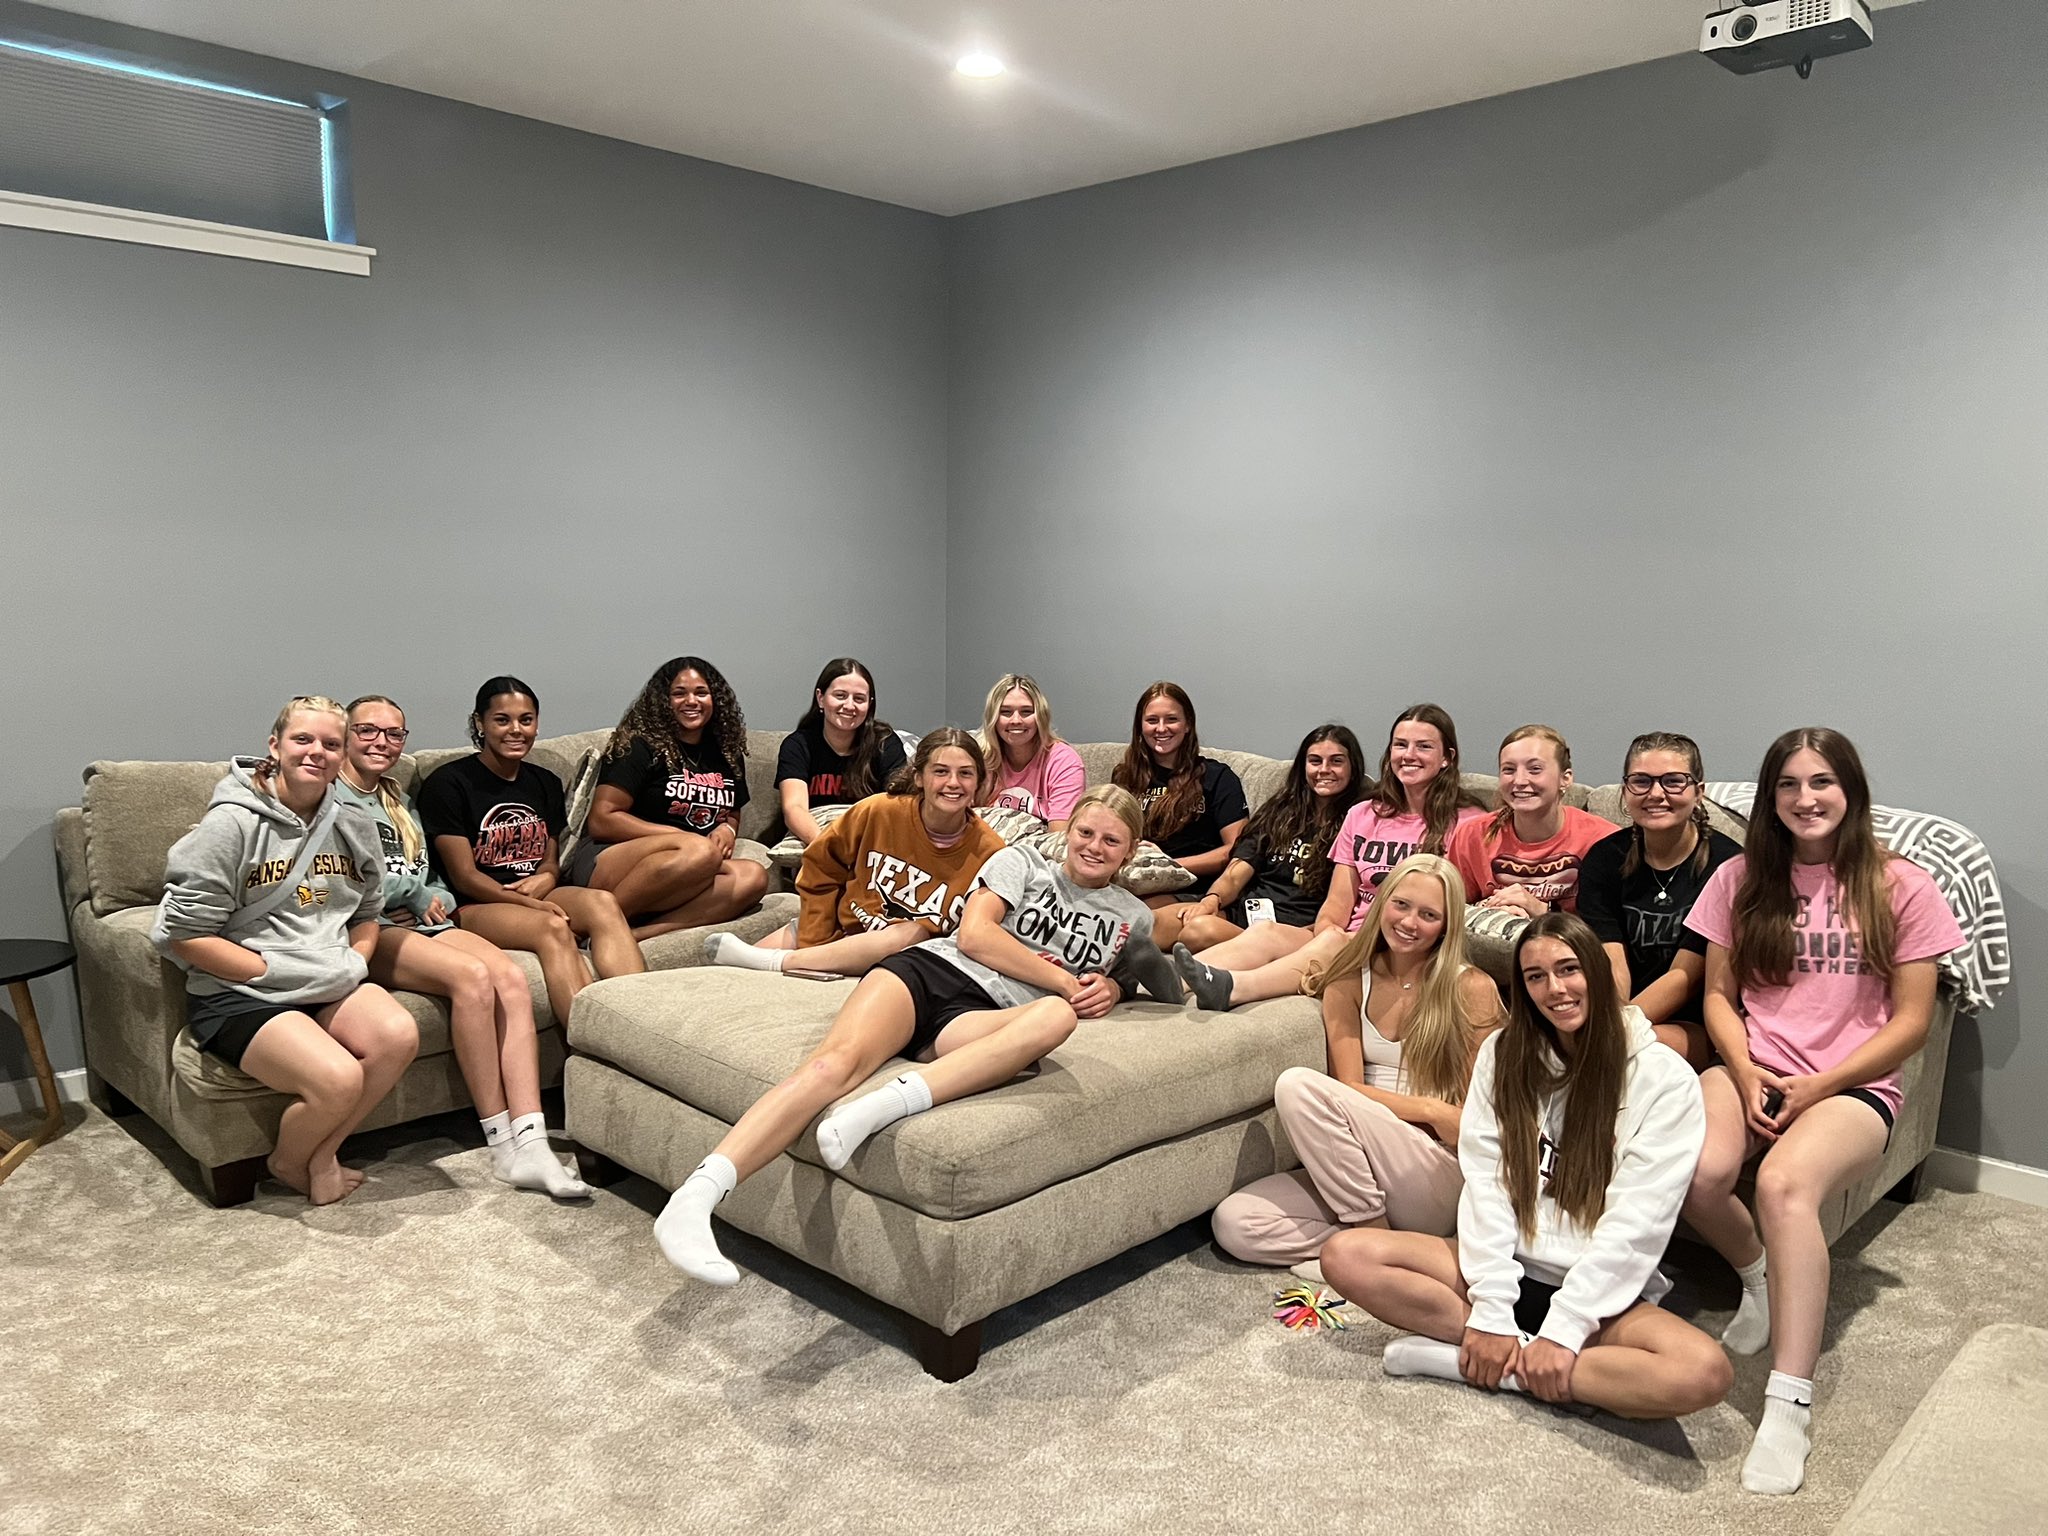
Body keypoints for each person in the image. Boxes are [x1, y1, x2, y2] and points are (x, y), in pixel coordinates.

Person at [655, 785, 1171, 1285]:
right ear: (1070, 830)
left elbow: (1148, 985)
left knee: (1058, 1017)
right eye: (1085, 832)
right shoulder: (1023, 863)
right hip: (930, 973)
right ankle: (695, 1199)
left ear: (1129, 852)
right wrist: (1063, 979)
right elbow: (974, 934)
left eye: (1111, 841)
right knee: (832, 1066)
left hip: (983, 1019)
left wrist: (1113, 989)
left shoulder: (1133, 916)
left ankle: (883, 1105)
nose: (1093, 847)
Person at [1679, 728, 1964, 1495]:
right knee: (1695, 1170)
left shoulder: (1902, 885)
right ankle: (1761, 1273)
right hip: (1753, 1065)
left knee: (1782, 1187)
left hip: (1853, 1085)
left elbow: (1910, 1022)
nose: (1807, 799)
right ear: (1770, 800)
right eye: (1789, 786)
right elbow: (1716, 995)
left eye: (1823, 782)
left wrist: (1821, 1083)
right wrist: (1743, 1071)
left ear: (1851, 790)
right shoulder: (1738, 878)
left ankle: (1788, 1402)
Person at [1323, 913, 1730, 1422]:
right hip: (1503, 1266)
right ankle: (1515, 1353)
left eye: (1568, 970)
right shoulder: (1505, 1051)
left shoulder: (1664, 1079)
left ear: (1599, 974)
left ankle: (1486, 1365)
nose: (1554, 989)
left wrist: (1567, 1327)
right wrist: (1492, 1307)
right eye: (1535, 977)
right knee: (1346, 1254)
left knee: (1703, 1371)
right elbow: (1487, 1186)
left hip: (1595, 1290)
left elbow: (1639, 1222)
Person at [152, 696, 419, 1205]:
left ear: (343, 756)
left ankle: (319, 1154)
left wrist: (356, 960)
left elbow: (367, 912)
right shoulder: (230, 825)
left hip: (325, 976)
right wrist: (265, 968)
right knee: (338, 1079)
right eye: (303, 739)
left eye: (331, 743)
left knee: (397, 1034)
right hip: (240, 990)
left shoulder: (353, 823)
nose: (316, 752)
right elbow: (183, 932)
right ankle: (287, 1162)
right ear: (274, 746)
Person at [337, 695, 588, 1198]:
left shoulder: (396, 800)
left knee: (512, 980)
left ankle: (533, 1141)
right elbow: (344, 884)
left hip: (428, 921)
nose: (381, 742)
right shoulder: (328, 799)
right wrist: (411, 895)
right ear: (344, 734)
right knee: (472, 980)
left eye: (393, 734)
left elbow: (432, 875)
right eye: (367, 731)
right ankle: (501, 1145)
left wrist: (434, 896)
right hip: (370, 928)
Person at [1211, 855, 1503, 1276]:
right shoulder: (1349, 980)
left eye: (1429, 914)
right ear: (1381, 901)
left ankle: (1369, 1239)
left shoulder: (1470, 986)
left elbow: (1470, 1117)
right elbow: (1347, 1087)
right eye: (1400, 904)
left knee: (1297, 1085)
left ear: (1447, 925)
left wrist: (1434, 1118)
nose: (1409, 922)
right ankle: (1389, 1245)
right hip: (1358, 1164)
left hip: (1437, 1168)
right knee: (1235, 1223)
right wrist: (1429, 1110)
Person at [1171, 706, 1482, 1012]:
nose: (1409, 754)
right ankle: (1170, 982)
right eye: (1400, 745)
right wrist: (1328, 929)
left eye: (1424, 746)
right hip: (1348, 938)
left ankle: (1234, 989)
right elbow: (1337, 900)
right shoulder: (1364, 813)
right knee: (1267, 933)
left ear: (1447, 758)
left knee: (1335, 944)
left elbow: (1462, 904)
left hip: (1403, 943)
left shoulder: (1469, 824)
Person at [417, 677, 645, 1024]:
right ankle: (592, 1036)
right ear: (479, 723)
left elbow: (549, 859)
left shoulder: (544, 782)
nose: (516, 730)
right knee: (551, 927)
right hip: (478, 904)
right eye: (502, 720)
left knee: (603, 903)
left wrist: (548, 876)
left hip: (536, 892)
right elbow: (464, 877)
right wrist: (530, 903)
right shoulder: (448, 784)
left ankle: (640, 1019)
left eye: (526, 720)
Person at [706, 728, 1006, 978]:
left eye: (965, 773)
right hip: (840, 930)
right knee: (726, 978)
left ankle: (785, 962)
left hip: (906, 960)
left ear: (979, 781)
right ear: (919, 777)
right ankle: (797, 959)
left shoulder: (992, 853)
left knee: (912, 933)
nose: (953, 783)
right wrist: (815, 941)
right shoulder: (879, 811)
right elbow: (820, 868)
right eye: (940, 771)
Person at [569, 656, 770, 939]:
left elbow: (731, 808)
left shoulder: (726, 753)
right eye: (679, 693)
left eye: (701, 692)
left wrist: (727, 828)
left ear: (716, 700)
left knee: (753, 877)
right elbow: (603, 820)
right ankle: (597, 924)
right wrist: (678, 837)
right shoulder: (638, 746)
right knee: (700, 852)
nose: (691, 701)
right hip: (613, 857)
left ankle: (640, 933)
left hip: (687, 864)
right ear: (663, 700)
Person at [1576, 732, 1741, 1068]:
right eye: (1641, 781)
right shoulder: (1604, 859)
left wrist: (1617, 1030)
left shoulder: (1729, 866)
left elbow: (1686, 976)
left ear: (1699, 792)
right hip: (1619, 1009)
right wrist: (1611, 1021)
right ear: (1625, 790)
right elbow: (1611, 961)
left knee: (1627, 1055)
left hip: (1696, 1024)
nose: (1656, 794)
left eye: (1673, 782)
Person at [1154, 724, 1367, 955]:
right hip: (1244, 912)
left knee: (1197, 932)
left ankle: (1265, 952)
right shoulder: (1281, 811)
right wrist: (1211, 900)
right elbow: (1236, 874)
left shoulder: (1360, 821)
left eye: (1336, 761)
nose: (1324, 769)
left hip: (1290, 927)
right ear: (1303, 767)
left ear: (1352, 767)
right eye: (1315, 761)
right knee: (1153, 924)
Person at [1110, 681, 1248, 945]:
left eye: (1171, 719)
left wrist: (1167, 866)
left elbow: (1236, 851)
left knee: (1131, 926)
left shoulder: (1218, 778)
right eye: (1152, 720)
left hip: (1193, 889)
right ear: (1141, 727)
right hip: (1132, 882)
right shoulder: (1124, 777)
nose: (1161, 728)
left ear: (1187, 725)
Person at [1446, 725, 1612, 914]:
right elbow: (1450, 911)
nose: (1520, 780)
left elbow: (1609, 929)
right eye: (1509, 769)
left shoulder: (1603, 841)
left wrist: (1543, 911)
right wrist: (1489, 909)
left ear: (1565, 779)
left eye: (1535, 769)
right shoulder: (1472, 835)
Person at [770, 657, 909, 847]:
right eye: (840, 695)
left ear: (869, 704)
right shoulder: (798, 745)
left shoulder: (885, 743)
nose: (850, 706)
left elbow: (898, 805)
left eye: (859, 698)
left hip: (870, 840)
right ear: (821, 698)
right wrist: (828, 849)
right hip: (814, 839)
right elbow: (794, 808)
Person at [977, 673, 1087, 831]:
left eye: (1026, 712)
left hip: (1037, 853)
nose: (1016, 720)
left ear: (1040, 717)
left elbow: (1058, 838)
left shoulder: (1063, 761)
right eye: (1006, 712)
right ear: (993, 718)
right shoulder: (980, 758)